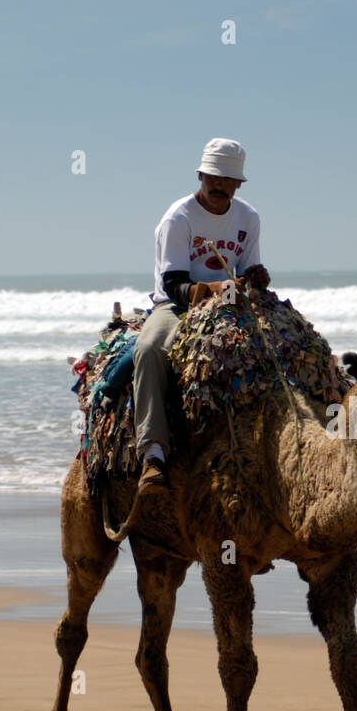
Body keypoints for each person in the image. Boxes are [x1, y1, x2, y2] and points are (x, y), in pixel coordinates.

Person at [133, 138, 272, 489]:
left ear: (238, 184)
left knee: (287, 349)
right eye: (213, 176)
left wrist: (256, 279)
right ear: (200, 174)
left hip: (229, 303)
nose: (219, 184)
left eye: (227, 179)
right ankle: (153, 452)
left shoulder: (248, 217)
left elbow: (247, 273)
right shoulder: (178, 218)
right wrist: (212, 291)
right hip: (177, 305)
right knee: (149, 350)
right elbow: (175, 283)